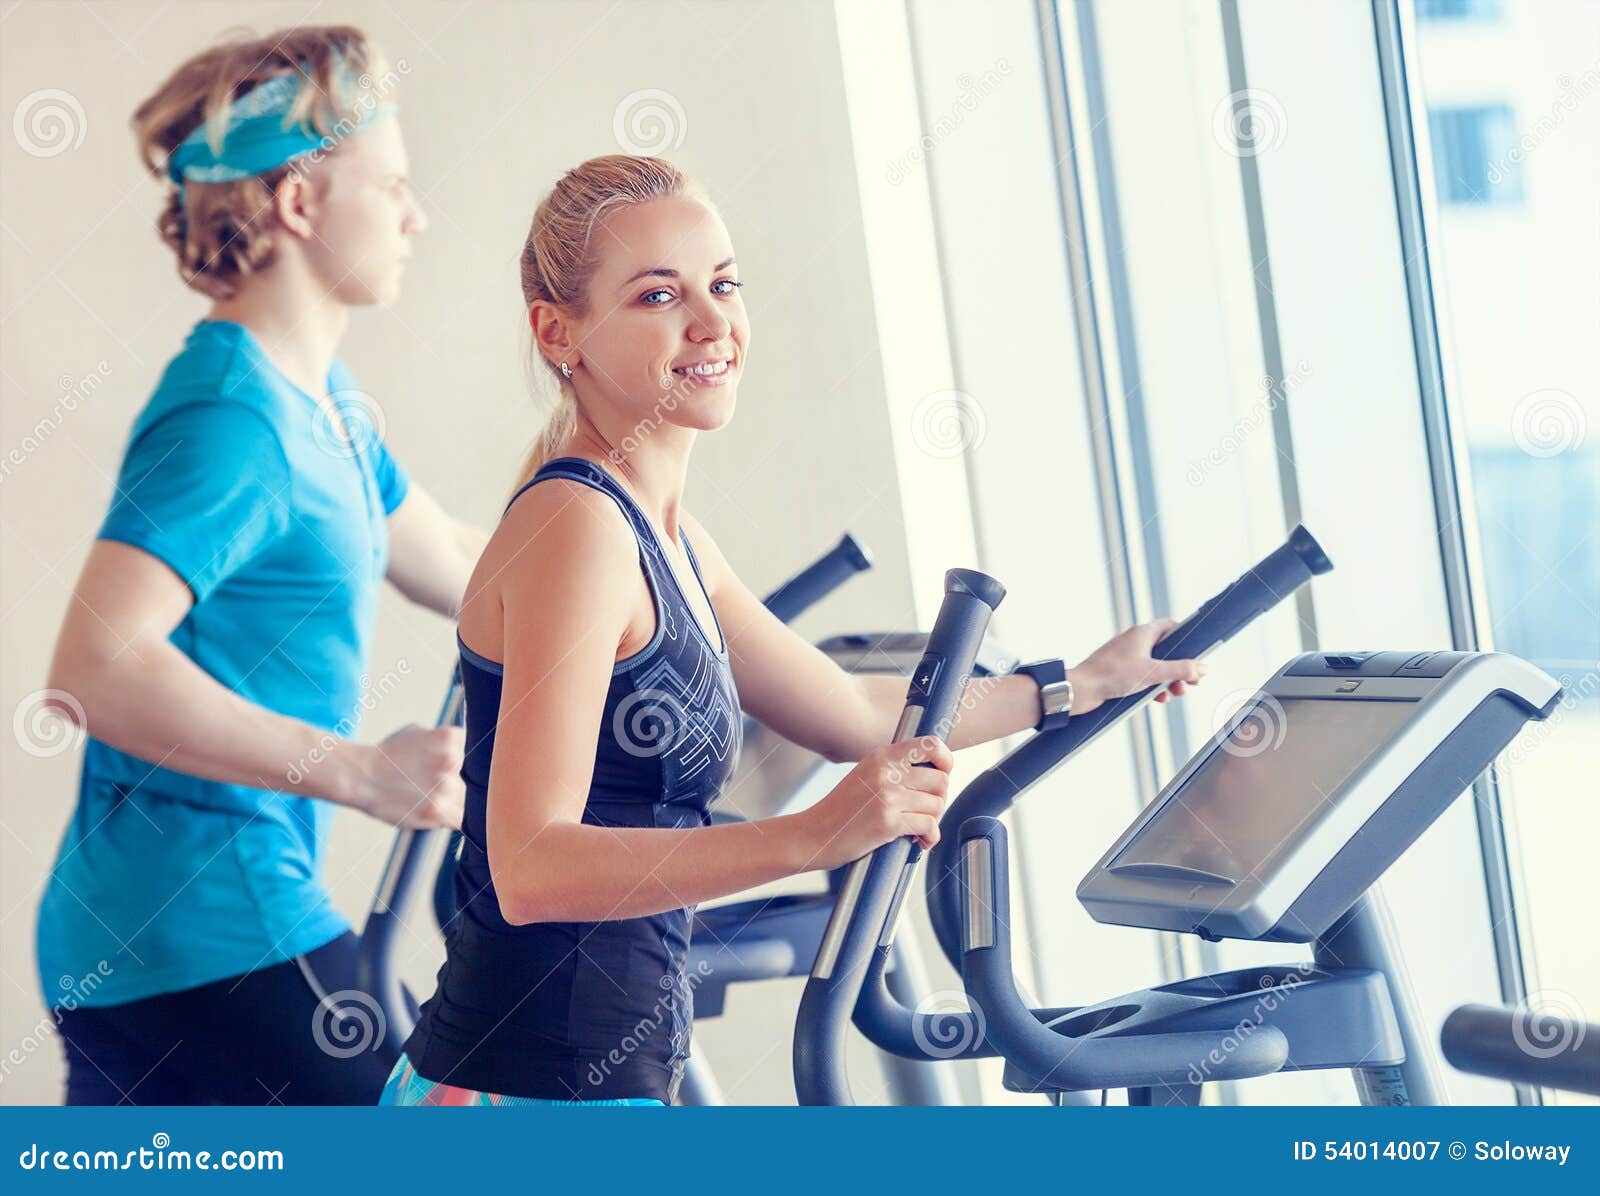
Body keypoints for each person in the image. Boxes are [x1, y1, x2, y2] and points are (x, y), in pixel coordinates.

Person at [382, 155, 1203, 1108]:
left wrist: (1080, 683)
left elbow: (855, 713)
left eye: (723, 284)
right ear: (558, 332)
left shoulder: (665, 536)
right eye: (658, 295)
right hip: (514, 1097)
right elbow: (530, 866)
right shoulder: (577, 528)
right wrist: (814, 834)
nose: (711, 323)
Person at [36, 25, 479, 1106]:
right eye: (394, 186)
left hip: (163, 924)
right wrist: (364, 770)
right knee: (441, 1137)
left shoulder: (327, 408)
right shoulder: (234, 417)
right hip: (199, 914)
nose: (416, 215)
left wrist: (651, 573)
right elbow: (96, 664)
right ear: (298, 203)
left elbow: (470, 566)